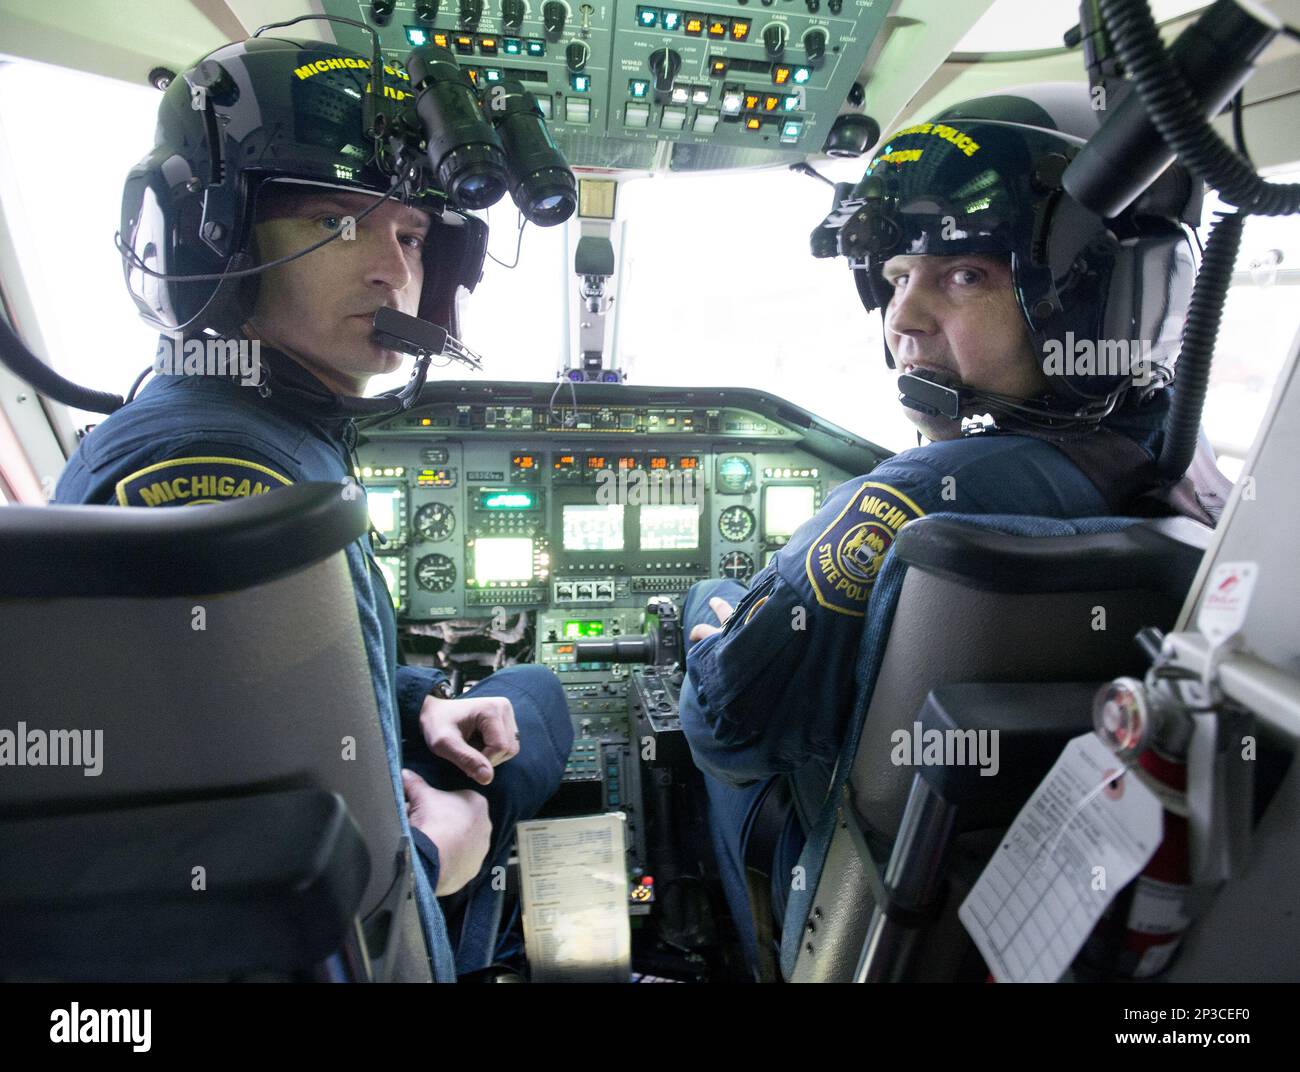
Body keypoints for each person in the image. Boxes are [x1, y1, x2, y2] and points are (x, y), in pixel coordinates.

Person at [53, 35, 573, 979]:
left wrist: (416, 706)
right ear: (209, 239)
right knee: (542, 698)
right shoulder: (219, 475)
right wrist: (438, 854)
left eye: (411, 235)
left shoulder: (252, 425)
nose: (392, 271)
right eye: (337, 222)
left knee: (498, 703)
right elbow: (242, 877)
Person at [677, 84, 1222, 977]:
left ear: (1091, 301)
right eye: (896, 278)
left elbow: (729, 729)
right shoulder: (1192, 469)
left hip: (855, 911)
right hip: (1016, 934)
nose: (902, 320)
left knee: (710, 618)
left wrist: (714, 637)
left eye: (965, 275)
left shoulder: (919, 494)